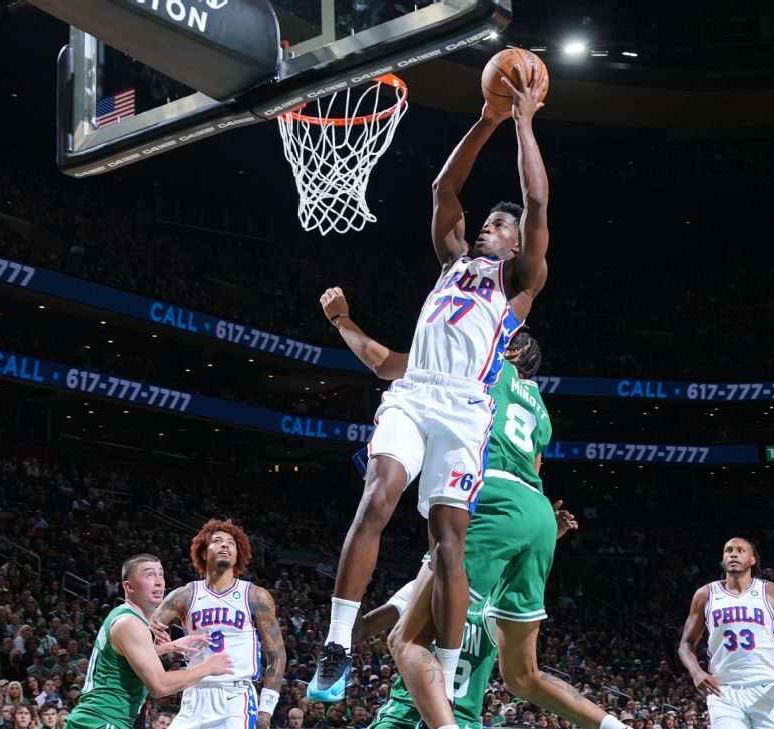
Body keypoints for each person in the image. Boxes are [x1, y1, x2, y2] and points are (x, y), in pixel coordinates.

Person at [308, 59, 552, 706]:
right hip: (416, 395)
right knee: (378, 493)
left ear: (519, 243)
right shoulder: (452, 262)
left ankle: (445, 665)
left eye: (499, 227)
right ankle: (336, 641)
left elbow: (536, 202)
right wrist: (487, 119)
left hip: (466, 412)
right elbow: (445, 186)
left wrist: (524, 125)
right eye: (487, 223)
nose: (486, 228)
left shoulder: (517, 285)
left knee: (448, 541)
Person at [319, 290, 625, 729]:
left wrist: (342, 320)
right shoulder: (540, 409)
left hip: (495, 500)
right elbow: (532, 471)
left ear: (512, 348)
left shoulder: (482, 366)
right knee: (523, 675)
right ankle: (613, 725)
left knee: (404, 640)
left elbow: (383, 361)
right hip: (535, 513)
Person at [62, 554, 234, 729]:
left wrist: (168, 647)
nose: (159, 582)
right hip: (102, 721)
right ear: (128, 587)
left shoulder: (121, 614)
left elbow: (123, 656)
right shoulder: (130, 624)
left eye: (161, 574)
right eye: (149, 575)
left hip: (94, 720)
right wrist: (208, 667)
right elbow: (160, 686)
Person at [678, 538, 774, 729]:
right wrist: (696, 672)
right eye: (728, 550)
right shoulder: (705, 594)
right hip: (723, 690)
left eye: (740, 550)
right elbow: (686, 644)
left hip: (765, 688)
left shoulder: (772, 592)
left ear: (752, 560)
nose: (733, 554)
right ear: (723, 558)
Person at [151, 521, 286, 729]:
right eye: (217, 541)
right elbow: (143, 637)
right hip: (193, 692)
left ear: (237, 555)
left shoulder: (255, 596)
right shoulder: (184, 596)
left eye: (231, 543)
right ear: (204, 553)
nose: (225, 546)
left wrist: (265, 711)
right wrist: (166, 647)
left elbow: (276, 655)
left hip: (235, 697)